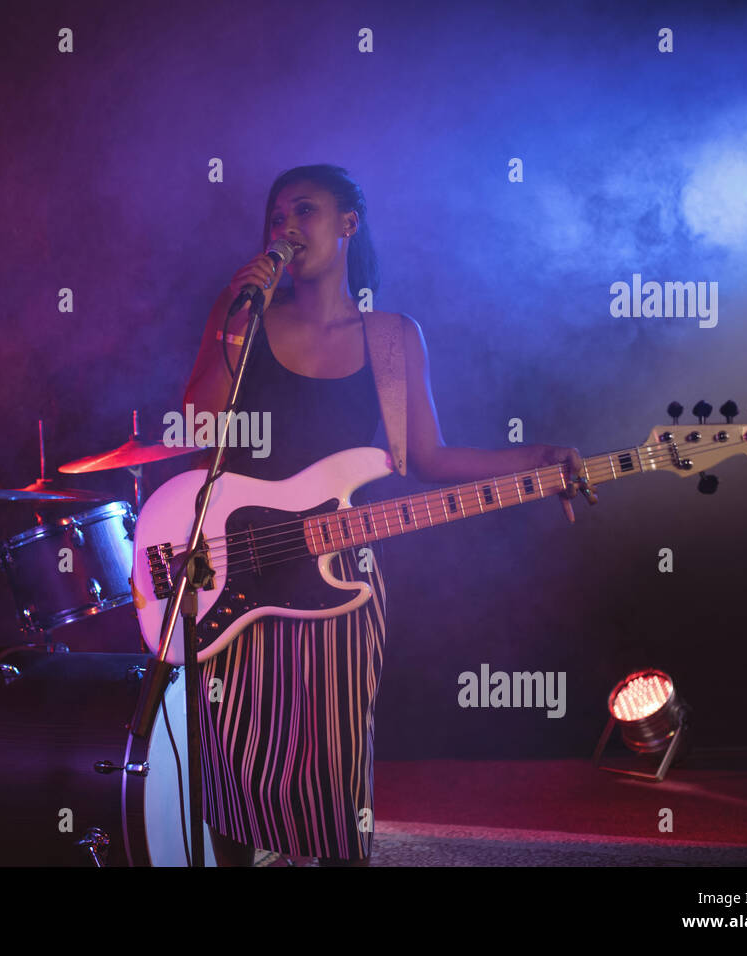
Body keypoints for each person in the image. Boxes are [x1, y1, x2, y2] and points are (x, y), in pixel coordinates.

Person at [180, 164, 583, 866]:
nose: (285, 225)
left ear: (347, 224)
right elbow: (194, 430)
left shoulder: (393, 336)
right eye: (276, 214)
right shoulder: (242, 316)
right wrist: (238, 317)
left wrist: (535, 460)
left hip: (343, 568)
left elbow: (426, 457)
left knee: (333, 758)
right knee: (238, 756)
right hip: (243, 562)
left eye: (303, 209)